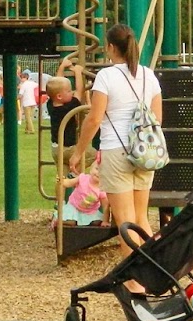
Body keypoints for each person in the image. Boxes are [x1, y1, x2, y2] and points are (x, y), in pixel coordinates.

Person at [70, 24, 164, 265]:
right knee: (141, 217)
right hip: (144, 151)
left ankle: (134, 280)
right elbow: (158, 118)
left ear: (110, 47)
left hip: (116, 150)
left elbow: (94, 119)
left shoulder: (107, 76)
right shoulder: (148, 75)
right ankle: (155, 269)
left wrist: (79, 151)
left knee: (124, 219)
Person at [17, 69, 39, 134]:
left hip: (27, 103)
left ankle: (31, 130)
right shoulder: (32, 83)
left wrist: (15, 98)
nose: (21, 80)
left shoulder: (23, 85)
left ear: (24, 78)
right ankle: (27, 130)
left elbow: (20, 95)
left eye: (21, 78)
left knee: (28, 117)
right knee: (29, 117)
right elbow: (37, 85)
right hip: (33, 102)